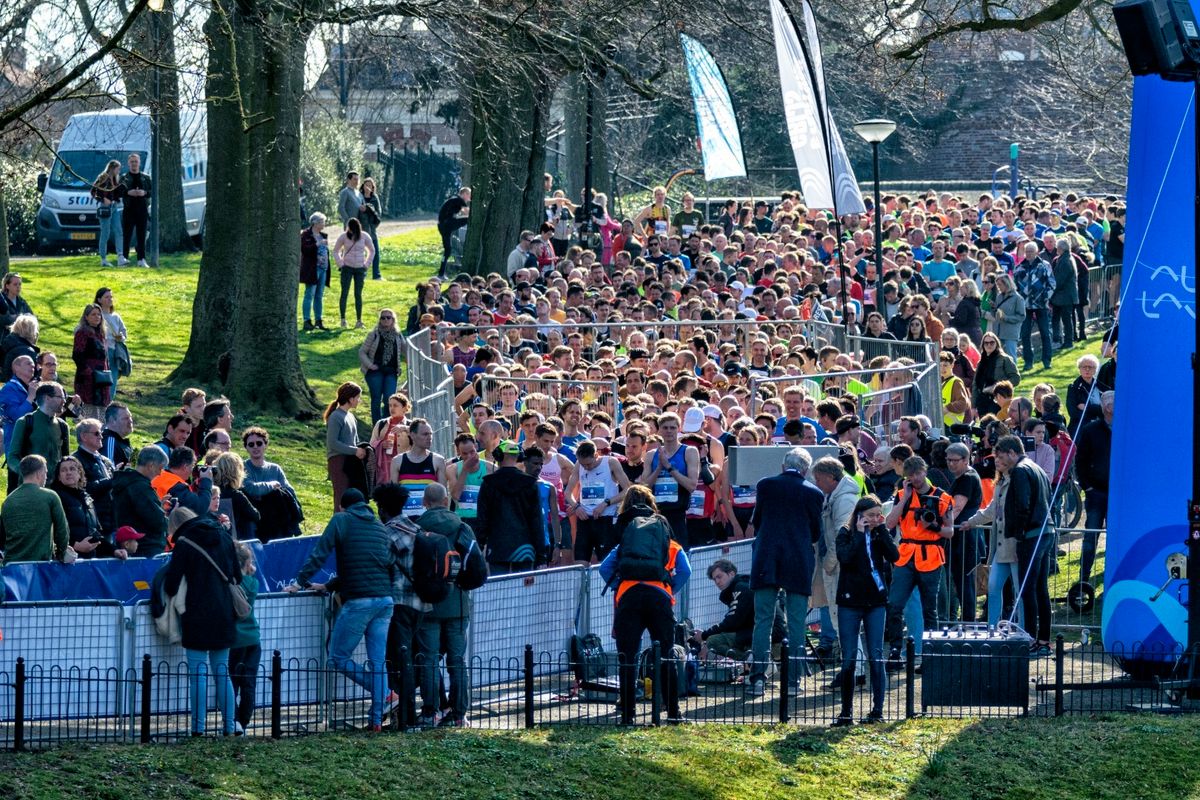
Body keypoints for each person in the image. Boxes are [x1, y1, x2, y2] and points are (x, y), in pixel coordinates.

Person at [287, 487, 397, 732]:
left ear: (341, 506)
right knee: (378, 663)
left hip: (359, 600)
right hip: (385, 599)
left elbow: (319, 553)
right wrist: (329, 584)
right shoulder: (379, 526)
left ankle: (386, 692)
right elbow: (381, 563)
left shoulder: (342, 520)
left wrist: (299, 582)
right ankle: (377, 719)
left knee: (337, 657)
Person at [598, 484, 691, 724]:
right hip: (659, 597)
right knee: (666, 654)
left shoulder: (626, 542)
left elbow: (605, 568)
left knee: (627, 657)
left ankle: (628, 715)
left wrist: (622, 584)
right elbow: (685, 570)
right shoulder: (667, 541)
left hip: (629, 598)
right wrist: (669, 588)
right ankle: (672, 712)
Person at [744, 447, 824, 697]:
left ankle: (757, 678)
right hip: (798, 560)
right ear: (806, 470)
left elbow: (758, 521)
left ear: (783, 466)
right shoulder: (814, 492)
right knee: (797, 623)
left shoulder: (766, 485)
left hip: (767, 558)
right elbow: (815, 532)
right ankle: (793, 681)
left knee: (763, 620)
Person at [163, 505, 239, 736]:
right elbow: (236, 573)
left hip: (196, 612)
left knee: (198, 674)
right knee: (222, 671)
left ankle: (198, 728)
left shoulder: (184, 544)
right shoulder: (223, 536)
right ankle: (229, 725)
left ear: (175, 526)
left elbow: (171, 583)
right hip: (224, 610)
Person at [831, 496, 900, 726]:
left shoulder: (879, 532)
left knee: (876, 655)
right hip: (850, 601)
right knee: (849, 657)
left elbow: (895, 556)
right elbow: (846, 558)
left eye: (878, 514)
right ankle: (846, 711)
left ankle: (877, 709)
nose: (875, 518)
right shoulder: (846, 532)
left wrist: (882, 530)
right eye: (871, 515)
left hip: (875, 601)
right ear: (859, 515)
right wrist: (860, 534)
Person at [415, 481, 478, 727]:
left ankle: (431, 711)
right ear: (445, 501)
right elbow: (475, 564)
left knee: (429, 658)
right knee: (457, 659)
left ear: (424, 503)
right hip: (458, 600)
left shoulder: (417, 528)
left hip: (427, 603)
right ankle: (459, 713)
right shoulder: (462, 527)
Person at [371, 482, 430, 730]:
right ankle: (411, 713)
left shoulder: (388, 533)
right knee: (413, 658)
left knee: (398, 660)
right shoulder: (416, 528)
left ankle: (405, 718)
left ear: (382, 508)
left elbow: (380, 564)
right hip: (421, 604)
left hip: (399, 604)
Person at [883, 456, 954, 661]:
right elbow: (890, 523)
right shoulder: (901, 495)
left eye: (917, 473)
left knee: (929, 609)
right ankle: (895, 651)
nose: (915, 478)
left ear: (925, 471)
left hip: (930, 557)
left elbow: (949, 532)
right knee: (895, 605)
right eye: (910, 475)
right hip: (905, 556)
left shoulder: (942, 498)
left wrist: (932, 526)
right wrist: (904, 498)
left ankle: (929, 653)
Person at [992, 435, 1054, 655]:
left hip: (1031, 535)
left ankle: (1030, 639)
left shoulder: (1020, 471)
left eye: (1001, 457)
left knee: (1028, 589)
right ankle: (1044, 640)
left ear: (1011, 452)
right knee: (1040, 589)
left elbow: (1022, 506)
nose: (1000, 462)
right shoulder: (1036, 468)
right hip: (1046, 531)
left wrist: (1017, 536)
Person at [811, 456, 861, 689]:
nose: (817, 484)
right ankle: (853, 667)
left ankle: (853, 669)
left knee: (843, 618)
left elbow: (841, 535)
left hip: (842, 567)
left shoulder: (843, 500)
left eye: (819, 479)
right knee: (841, 618)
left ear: (831, 478)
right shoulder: (836, 496)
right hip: (839, 565)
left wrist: (829, 564)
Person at [475, 440, 543, 574]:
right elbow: (537, 521)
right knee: (524, 591)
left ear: (498, 456)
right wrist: (541, 555)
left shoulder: (488, 483)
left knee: (500, 590)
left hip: (498, 546)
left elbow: (482, 519)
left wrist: (480, 545)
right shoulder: (530, 483)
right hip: (525, 547)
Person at [563, 439, 631, 563]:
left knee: (604, 563)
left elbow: (627, 490)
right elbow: (567, 492)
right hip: (585, 520)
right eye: (583, 465)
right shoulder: (579, 465)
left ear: (596, 455)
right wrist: (576, 507)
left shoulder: (610, 463)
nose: (586, 468)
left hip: (605, 519)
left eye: (589, 464)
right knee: (580, 563)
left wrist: (606, 503)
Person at [638, 412, 699, 549]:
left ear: (679, 428)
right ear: (659, 430)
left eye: (672, 427)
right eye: (665, 428)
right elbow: (644, 487)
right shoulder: (651, 455)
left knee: (678, 555)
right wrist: (659, 468)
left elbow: (692, 485)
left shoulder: (689, 451)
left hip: (678, 514)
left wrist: (669, 467)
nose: (669, 431)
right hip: (656, 514)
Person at [0, 455, 72, 564]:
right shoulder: (50, 496)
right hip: (39, 567)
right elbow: (62, 531)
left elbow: (3, 535)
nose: (46, 477)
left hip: (12, 568)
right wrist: (62, 553)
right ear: (39, 473)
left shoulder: (8, 501)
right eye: (46, 472)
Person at [1074, 390, 1113, 589]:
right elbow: (1080, 461)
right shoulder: (1091, 430)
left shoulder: (1126, 429)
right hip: (1096, 491)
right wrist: (1087, 487)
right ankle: (1083, 578)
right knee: (1091, 538)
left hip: (1118, 495)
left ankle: (1114, 577)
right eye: (1107, 400)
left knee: (1116, 538)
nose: (1111, 404)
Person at [945, 442, 984, 622]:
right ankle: (966, 619)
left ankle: (968, 620)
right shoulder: (963, 477)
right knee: (962, 580)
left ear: (966, 459)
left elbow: (957, 508)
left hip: (965, 535)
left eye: (955, 460)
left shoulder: (967, 477)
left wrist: (941, 523)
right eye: (948, 460)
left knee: (964, 580)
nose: (951, 464)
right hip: (963, 534)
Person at [8, 382, 71, 492]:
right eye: (61, 397)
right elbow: (12, 457)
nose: (64, 401)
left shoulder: (63, 426)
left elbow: (66, 458)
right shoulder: (25, 422)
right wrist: (27, 474)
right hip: (30, 490)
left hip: (57, 489)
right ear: (47, 398)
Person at [693, 559, 758, 661]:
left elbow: (732, 622)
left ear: (731, 574)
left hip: (767, 633)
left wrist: (705, 635)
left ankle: (756, 663)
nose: (717, 582)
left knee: (714, 641)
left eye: (719, 577)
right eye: (714, 579)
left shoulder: (741, 587)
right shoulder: (738, 587)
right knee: (719, 638)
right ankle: (753, 662)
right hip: (753, 631)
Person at [111, 446, 169, 557]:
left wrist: (158, 505)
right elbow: (157, 520)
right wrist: (167, 518)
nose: (160, 473)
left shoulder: (127, 482)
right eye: (160, 468)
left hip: (133, 546)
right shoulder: (140, 487)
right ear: (151, 466)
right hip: (145, 548)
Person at [227, 541, 261, 735]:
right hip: (253, 638)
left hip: (235, 639)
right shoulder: (253, 583)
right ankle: (243, 721)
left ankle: (233, 721)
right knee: (249, 682)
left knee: (232, 681)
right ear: (248, 564)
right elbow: (250, 577)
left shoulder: (229, 583)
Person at [50, 455, 106, 558]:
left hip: (90, 560)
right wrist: (75, 546)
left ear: (80, 473)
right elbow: (52, 530)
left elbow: (97, 530)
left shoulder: (87, 498)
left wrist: (115, 550)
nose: (68, 473)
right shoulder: (55, 497)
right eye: (63, 470)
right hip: (66, 560)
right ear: (58, 476)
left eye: (72, 469)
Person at [324, 382, 368, 512]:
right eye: (358, 397)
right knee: (341, 496)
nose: (359, 401)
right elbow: (333, 442)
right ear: (350, 398)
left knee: (352, 496)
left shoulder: (350, 416)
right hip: (338, 461)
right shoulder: (336, 416)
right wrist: (355, 451)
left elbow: (355, 440)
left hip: (350, 461)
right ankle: (338, 523)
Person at [358, 309, 402, 424]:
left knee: (389, 398)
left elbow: (407, 351)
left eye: (388, 317)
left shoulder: (398, 336)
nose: (386, 320)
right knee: (376, 398)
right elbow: (362, 352)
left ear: (393, 320)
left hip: (391, 371)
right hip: (375, 372)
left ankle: (386, 425)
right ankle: (376, 426)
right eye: (383, 318)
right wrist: (370, 365)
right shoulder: (374, 334)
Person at [333, 218, 375, 329]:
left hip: (360, 268)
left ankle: (359, 321)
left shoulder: (364, 236)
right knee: (344, 293)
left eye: (352, 229)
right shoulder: (343, 236)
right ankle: (343, 320)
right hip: (347, 268)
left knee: (358, 294)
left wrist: (366, 264)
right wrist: (340, 264)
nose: (350, 231)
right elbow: (335, 250)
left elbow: (372, 250)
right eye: (349, 229)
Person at [212, 452, 260, 541]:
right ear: (237, 472)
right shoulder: (236, 495)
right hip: (232, 539)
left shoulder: (210, 491)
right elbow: (256, 516)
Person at [72, 303, 111, 410]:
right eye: (93, 314)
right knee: (87, 409)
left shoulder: (101, 334)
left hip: (102, 379)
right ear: (86, 317)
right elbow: (77, 355)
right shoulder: (82, 333)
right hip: (87, 379)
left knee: (101, 411)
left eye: (99, 314)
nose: (97, 317)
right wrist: (88, 372)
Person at [971, 332, 1020, 417]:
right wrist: (973, 407)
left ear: (997, 344)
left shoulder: (1005, 359)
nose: (989, 345)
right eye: (986, 343)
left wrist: (996, 387)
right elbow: (975, 385)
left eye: (992, 342)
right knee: (985, 428)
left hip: (1000, 401)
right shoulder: (981, 363)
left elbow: (1016, 378)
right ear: (983, 345)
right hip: (982, 402)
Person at [119, 152, 152, 267]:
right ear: (128, 163)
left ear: (139, 163)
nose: (134, 164)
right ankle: (124, 258)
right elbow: (118, 192)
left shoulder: (146, 178)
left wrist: (144, 193)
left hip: (142, 210)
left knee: (141, 235)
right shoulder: (123, 178)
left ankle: (141, 259)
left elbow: (152, 192)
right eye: (132, 161)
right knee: (126, 235)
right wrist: (128, 192)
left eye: (136, 161)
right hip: (128, 210)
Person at [91, 159, 126, 266]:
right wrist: (102, 199)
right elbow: (93, 191)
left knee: (119, 230)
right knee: (105, 233)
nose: (119, 171)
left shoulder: (116, 179)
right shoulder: (102, 177)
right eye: (118, 169)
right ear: (112, 168)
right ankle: (103, 259)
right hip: (105, 208)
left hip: (114, 207)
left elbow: (115, 193)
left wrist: (119, 195)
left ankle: (120, 256)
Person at [300, 213, 331, 332]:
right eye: (322, 222)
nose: (324, 224)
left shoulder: (323, 235)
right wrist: (317, 244)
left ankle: (319, 320)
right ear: (315, 223)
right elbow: (305, 250)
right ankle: (307, 321)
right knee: (309, 294)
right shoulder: (306, 234)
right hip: (312, 269)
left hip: (323, 268)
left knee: (319, 295)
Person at [95, 288, 129, 396]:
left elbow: (124, 332)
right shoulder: (96, 315)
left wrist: (121, 337)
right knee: (100, 378)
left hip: (114, 352)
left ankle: (109, 402)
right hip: (100, 351)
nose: (110, 299)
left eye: (111, 297)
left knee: (112, 379)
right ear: (99, 300)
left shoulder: (116, 316)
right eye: (106, 297)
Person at [0, 354, 37, 451]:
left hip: (35, 440)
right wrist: (30, 397)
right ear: (16, 367)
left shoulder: (34, 387)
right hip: (16, 442)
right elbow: (16, 416)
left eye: (33, 364)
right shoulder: (9, 389)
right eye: (28, 363)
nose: (33, 366)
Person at [986, 273, 1025, 363]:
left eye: (1000, 285)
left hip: (1010, 333)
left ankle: (1013, 375)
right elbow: (995, 314)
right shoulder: (999, 297)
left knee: (1011, 357)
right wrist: (993, 307)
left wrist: (1006, 318)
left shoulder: (1017, 298)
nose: (998, 287)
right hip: (998, 332)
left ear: (1006, 284)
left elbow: (1021, 316)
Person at [1066, 354, 1108, 433]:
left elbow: (1107, 411)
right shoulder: (1073, 388)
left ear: (1096, 369)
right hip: (1081, 428)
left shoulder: (1102, 387)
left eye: (1090, 367)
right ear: (1079, 369)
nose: (1087, 369)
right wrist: (1097, 410)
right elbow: (1073, 413)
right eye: (1084, 367)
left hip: (1101, 426)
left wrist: (1087, 407)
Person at [1049, 239, 1078, 350]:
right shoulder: (1068, 258)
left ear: (1060, 248)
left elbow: (1059, 280)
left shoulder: (1065, 261)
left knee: (1065, 319)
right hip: (1064, 296)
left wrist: (1051, 291)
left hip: (1064, 296)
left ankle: (1067, 341)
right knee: (1063, 319)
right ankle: (1061, 340)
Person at [437, 187, 471, 277]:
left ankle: (441, 273)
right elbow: (468, 212)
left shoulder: (454, 200)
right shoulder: (458, 200)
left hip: (443, 226)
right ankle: (441, 273)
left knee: (448, 250)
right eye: (468, 195)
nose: (469, 198)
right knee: (469, 219)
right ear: (464, 194)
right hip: (448, 224)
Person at [1, 312, 39, 382]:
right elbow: (34, 376)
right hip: (23, 389)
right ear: (32, 331)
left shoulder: (8, 345)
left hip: (9, 387)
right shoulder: (27, 351)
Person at [359, 177, 383, 280]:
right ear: (363, 186)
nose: (368, 187)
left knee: (375, 252)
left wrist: (369, 209)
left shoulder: (375, 198)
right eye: (366, 185)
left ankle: (376, 275)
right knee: (361, 253)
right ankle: (362, 275)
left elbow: (378, 213)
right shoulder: (359, 197)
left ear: (373, 187)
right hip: (362, 229)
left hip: (372, 230)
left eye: (370, 185)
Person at [102, 402, 135, 469]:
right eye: (126, 418)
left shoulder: (121, 442)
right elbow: (109, 472)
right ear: (112, 420)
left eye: (130, 417)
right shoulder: (109, 442)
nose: (130, 421)